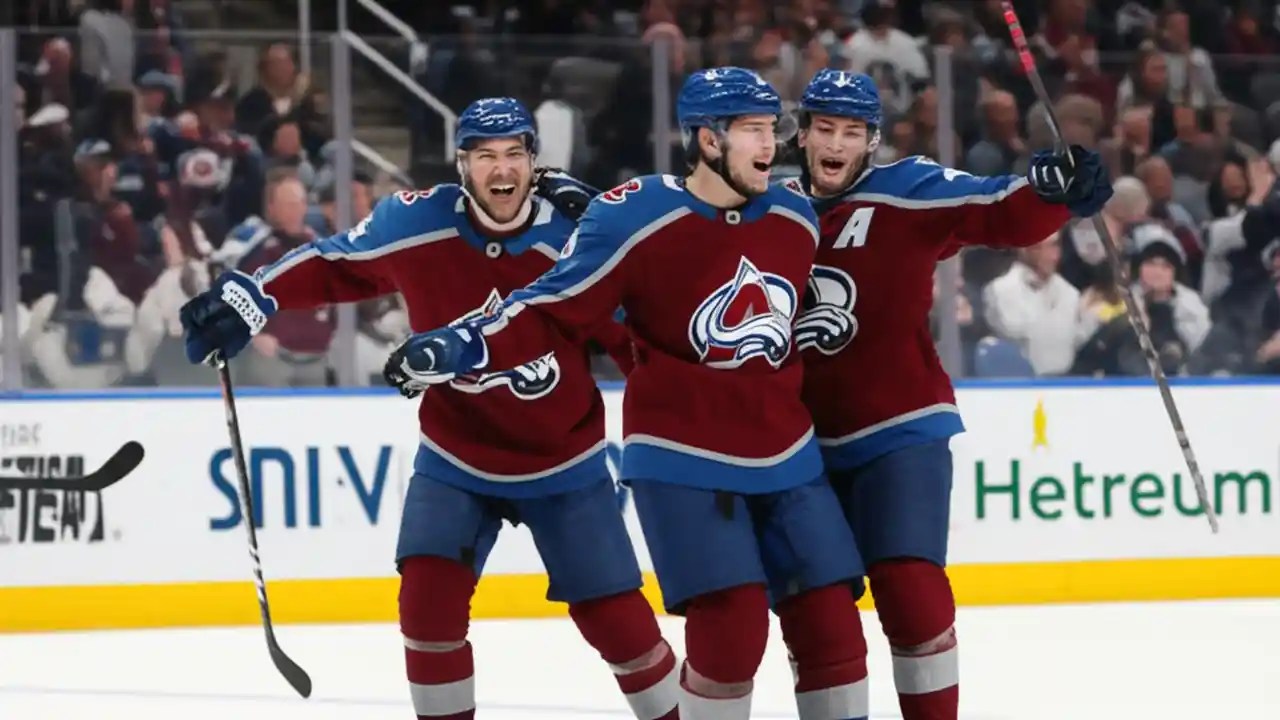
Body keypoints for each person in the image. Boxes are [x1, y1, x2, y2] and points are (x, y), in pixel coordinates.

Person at [385, 68, 872, 720]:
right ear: (706, 138)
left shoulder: (794, 217)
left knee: (833, 630)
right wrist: (467, 344)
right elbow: (551, 308)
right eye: (754, 130)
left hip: (788, 453)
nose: (771, 145)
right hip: (684, 455)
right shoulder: (635, 211)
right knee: (731, 637)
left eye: (771, 129)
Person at [178, 98, 678, 720]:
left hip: (565, 466)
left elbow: (639, 342)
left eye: (515, 155)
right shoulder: (417, 223)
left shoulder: (577, 240)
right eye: (486, 156)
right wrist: (254, 297)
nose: (502, 170)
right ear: (462, 164)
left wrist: (681, 417)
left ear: (533, 162)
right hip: (455, 459)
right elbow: (336, 264)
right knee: (426, 613)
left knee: (621, 628)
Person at [789, 69, 1114, 720]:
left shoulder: (908, 188)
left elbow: (1003, 209)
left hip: (900, 425)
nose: (836, 144)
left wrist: (1054, 187)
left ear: (871, 141)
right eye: (824, 129)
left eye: (852, 132)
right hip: (794, 445)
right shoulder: (768, 207)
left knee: (911, 591)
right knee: (815, 615)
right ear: (801, 134)